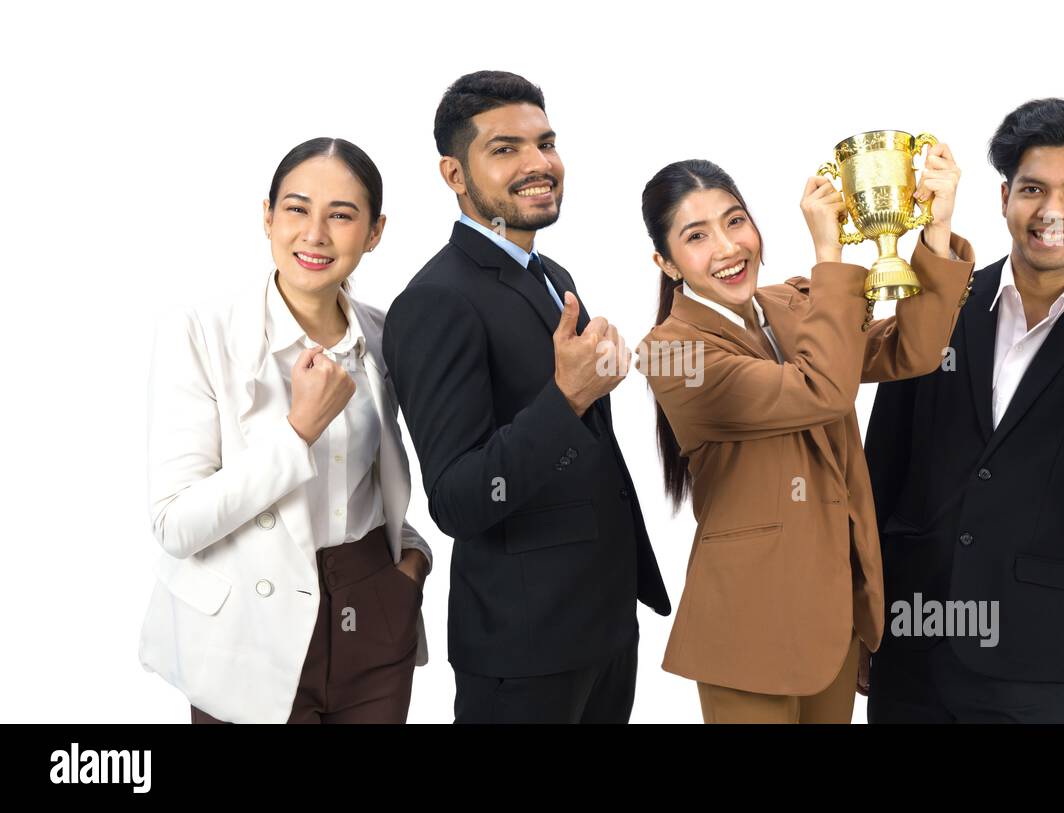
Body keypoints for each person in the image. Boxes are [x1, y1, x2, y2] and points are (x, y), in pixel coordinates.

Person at [865, 99, 1064, 723]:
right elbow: (880, 470)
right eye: (1033, 189)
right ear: (1005, 196)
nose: (1052, 211)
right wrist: (861, 619)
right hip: (906, 641)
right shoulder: (939, 306)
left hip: (1027, 661)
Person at [638, 152, 975, 723]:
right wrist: (829, 257)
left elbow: (912, 351)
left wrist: (935, 232)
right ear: (666, 263)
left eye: (735, 221)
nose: (728, 247)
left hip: (833, 617)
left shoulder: (794, 304)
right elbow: (822, 391)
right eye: (696, 236)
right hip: (746, 632)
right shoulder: (673, 354)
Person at [382, 70, 670, 724]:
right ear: (454, 175)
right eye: (505, 148)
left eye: (546, 142)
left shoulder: (551, 274)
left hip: (602, 629)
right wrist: (567, 398)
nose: (539, 163)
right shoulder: (436, 301)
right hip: (523, 649)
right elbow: (457, 498)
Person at [140, 137, 433, 723]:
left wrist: (410, 567)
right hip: (246, 633)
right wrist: (298, 431)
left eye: (341, 215)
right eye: (297, 209)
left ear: (375, 232)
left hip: (371, 610)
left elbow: (390, 477)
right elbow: (175, 525)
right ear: (268, 217)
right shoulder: (200, 334)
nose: (315, 234)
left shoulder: (384, 335)